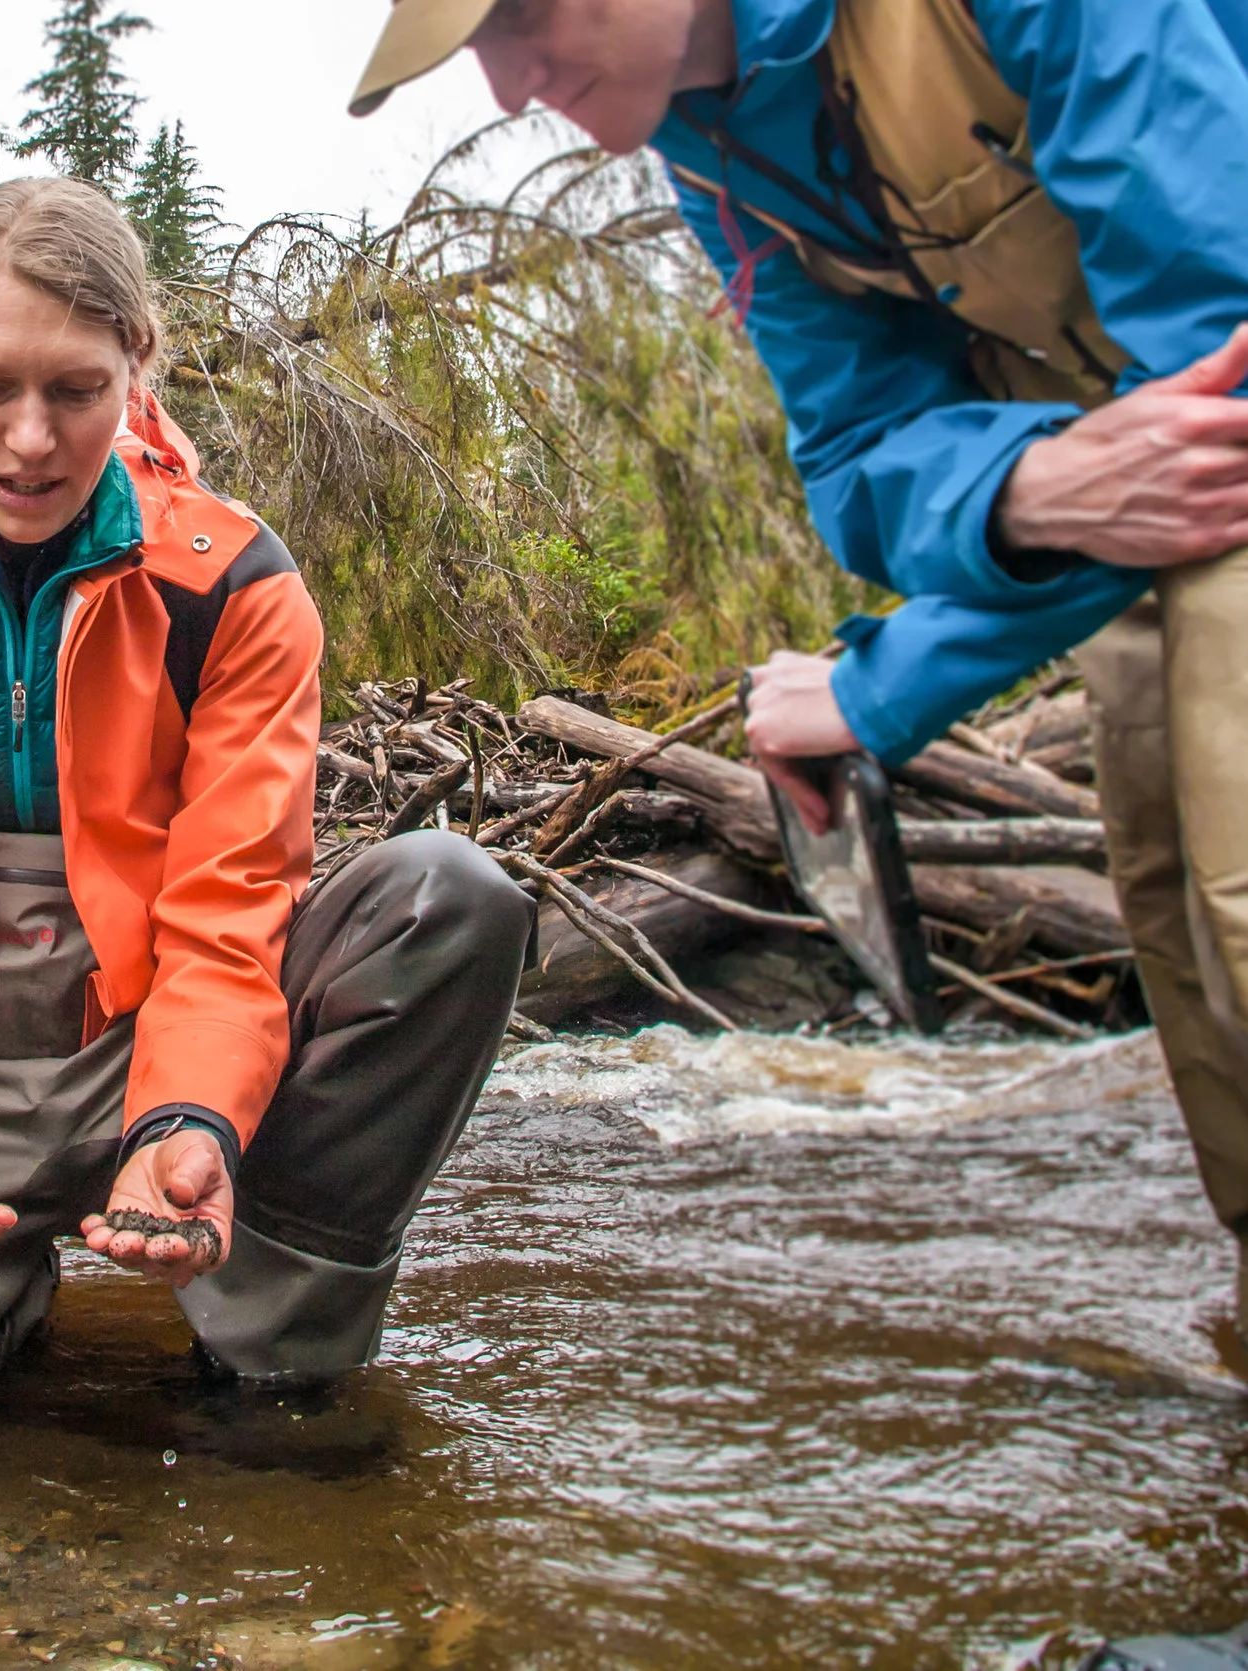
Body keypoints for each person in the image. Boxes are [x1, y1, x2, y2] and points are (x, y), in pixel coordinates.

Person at [347, 0, 1248, 1303]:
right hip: (1136, 519)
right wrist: (1027, 490)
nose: (508, 84)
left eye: (525, 14)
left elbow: (1214, 415)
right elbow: (858, 472)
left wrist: (880, 685)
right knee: (1177, 927)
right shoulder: (713, 160)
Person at [0, 178, 534, 1461]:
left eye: (73, 391)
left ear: (140, 367)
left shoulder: (234, 588)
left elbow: (231, 915)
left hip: (147, 1051)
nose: (27, 440)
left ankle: (268, 1345)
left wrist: (185, 1121)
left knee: (451, 899)